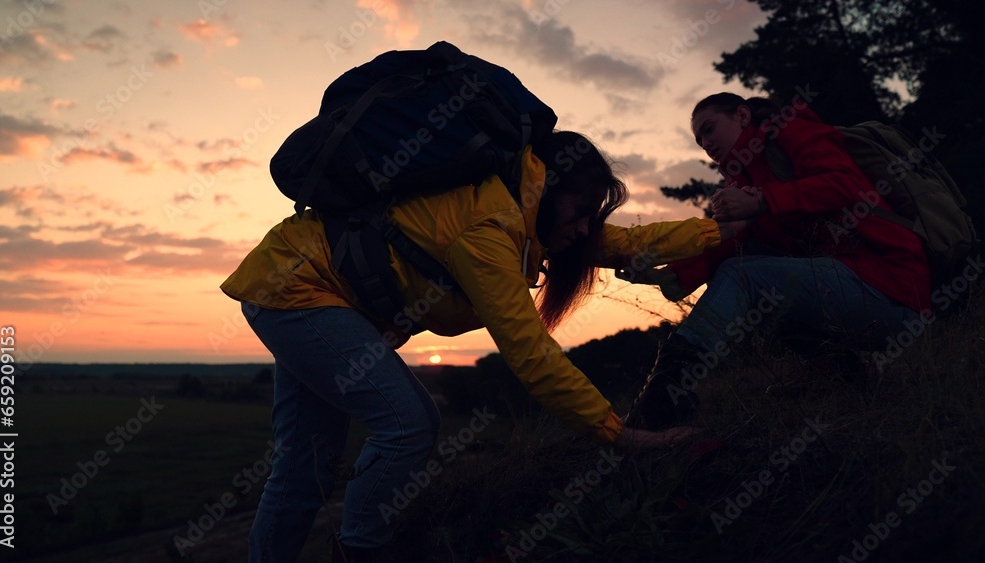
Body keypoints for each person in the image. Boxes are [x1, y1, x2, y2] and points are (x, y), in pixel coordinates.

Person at [220, 130, 737, 562]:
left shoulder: (522, 217)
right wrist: (618, 434)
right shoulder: (489, 230)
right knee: (406, 423)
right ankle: (361, 551)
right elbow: (530, 353)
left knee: (304, 462)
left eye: (590, 218)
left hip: (291, 282)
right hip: (296, 290)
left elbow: (625, 243)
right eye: (581, 211)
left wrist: (720, 232)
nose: (585, 228)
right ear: (549, 191)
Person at [623, 92, 931, 431]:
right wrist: (668, 277)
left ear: (742, 115)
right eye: (699, 141)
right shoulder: (741, 182)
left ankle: (663, 398)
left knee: (745, 277)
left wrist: (763, 202)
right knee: (747, 278)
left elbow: (842, 185)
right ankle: (843, 374)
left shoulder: (791, 134)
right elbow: (726, 246)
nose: (706, 144)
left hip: (893, 290)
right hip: (851, 300)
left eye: (710, 130)